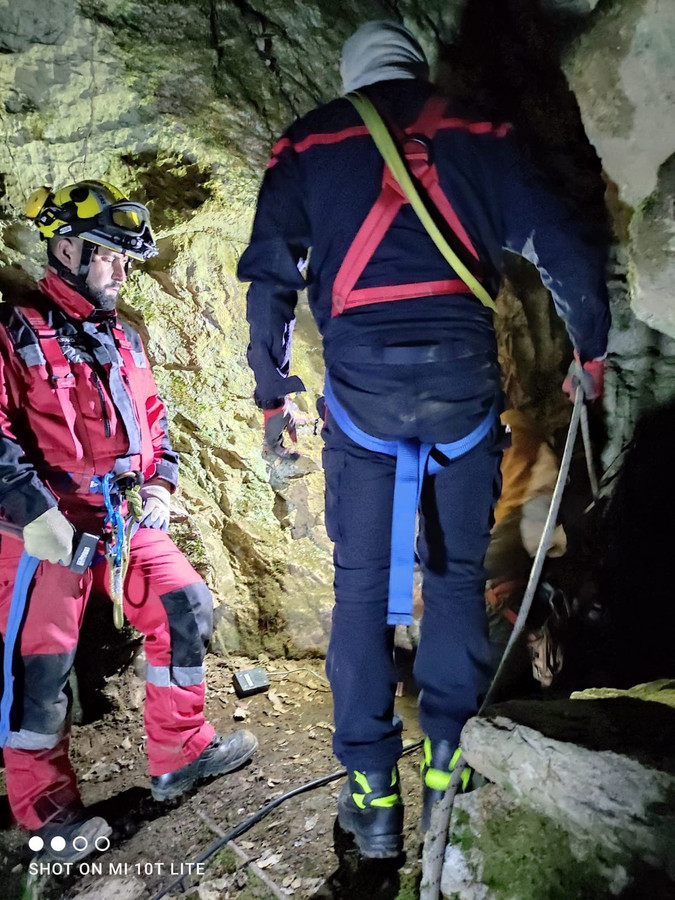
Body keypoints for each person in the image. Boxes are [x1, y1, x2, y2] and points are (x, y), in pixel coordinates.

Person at [238, 20, 609, 857]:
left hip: (364, 399)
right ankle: (447, 765)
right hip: (459, 395)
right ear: (413, 68)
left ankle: (371, 799)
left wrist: (272, 395)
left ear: (351, 77)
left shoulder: (307, 143)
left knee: (361, 591)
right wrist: (586, 355)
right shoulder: (480, 133)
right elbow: (566, 252)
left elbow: (266, 279)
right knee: (450, 585)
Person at [0, 180, 257, 862]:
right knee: (40, 667)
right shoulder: (11, 332)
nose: (121, 269)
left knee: (185, 605)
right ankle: (46, 816)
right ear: (66, 248)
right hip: (40, 528)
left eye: (125, 258)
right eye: (110, 255)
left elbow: (155, 427)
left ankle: (183, 752)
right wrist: (32, 512)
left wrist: (161, 487)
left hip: (119, 516)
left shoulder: (124, 336)